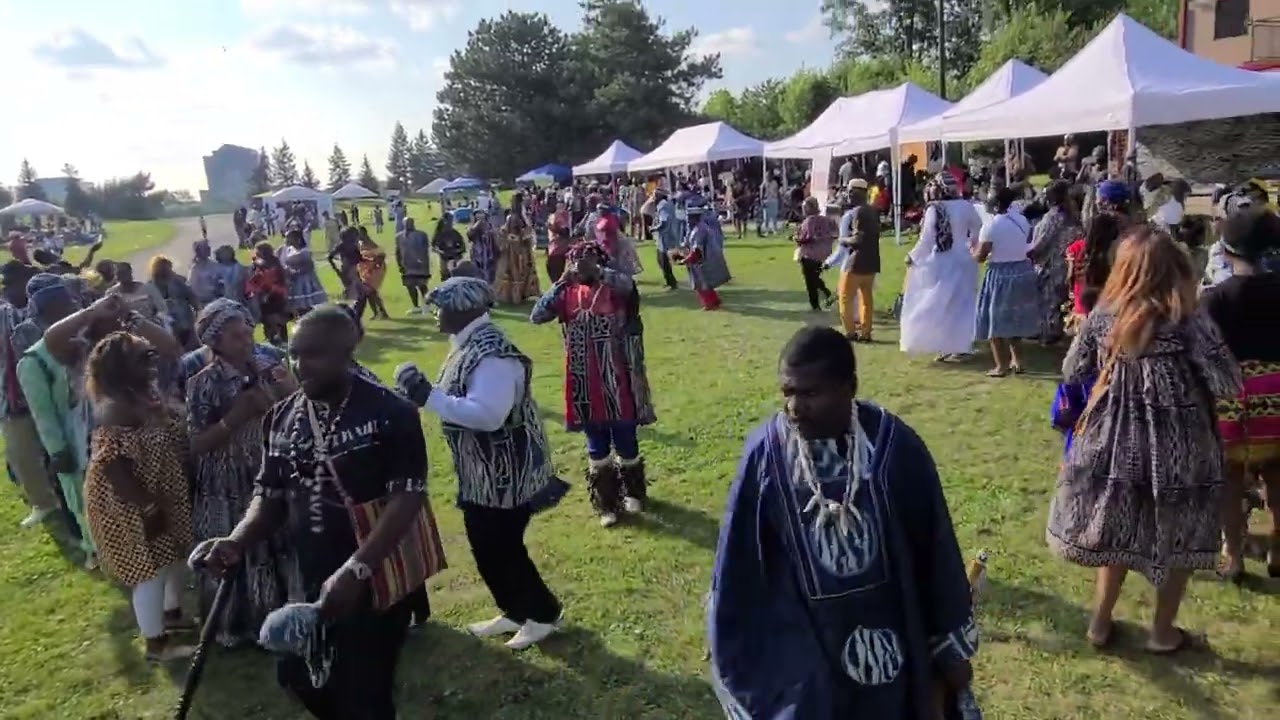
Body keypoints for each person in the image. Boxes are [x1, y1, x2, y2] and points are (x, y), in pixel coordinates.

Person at [709, 325, 980, 719]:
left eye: (811, 393)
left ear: (849, 387)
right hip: (805, 650)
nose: (795, 408)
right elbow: (739, 568)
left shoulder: (892, 448)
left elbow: (933, 550)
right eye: (789, 392)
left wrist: (949, 649)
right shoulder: (766, 457)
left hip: (895, 644)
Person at [192, 306, 446, 718]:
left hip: (374, 579)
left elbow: (407, 498)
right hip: (310, 576)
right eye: (293, 353)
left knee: (366, 697)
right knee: (297, 676)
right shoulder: (281, 417)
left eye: (314, 354)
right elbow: (269, 496)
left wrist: (358, 569)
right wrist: (237, 541)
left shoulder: (389, 412)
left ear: (347, 353)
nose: (298, 364)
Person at [1047, 228, 1241, 653]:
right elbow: (1227, 382)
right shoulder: (1189, 316)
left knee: (1113, 527)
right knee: (1179, 533)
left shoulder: (1104, 315)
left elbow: (1071, 370)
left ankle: (1099, 623)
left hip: (1112, 440)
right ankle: (1162, 632)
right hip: (1181, 443)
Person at [394, 277, 567, 649]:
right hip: (482, 471)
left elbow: (489, 415)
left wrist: (430, 397)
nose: (435, 314)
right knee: (485, 545)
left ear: (463, 309)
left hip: (507, 471)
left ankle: (542, 614)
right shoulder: (466, 344)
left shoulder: (491, 354)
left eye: (440, 307)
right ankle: (515, 610)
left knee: (501, 546)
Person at [81, 317, 198, 662]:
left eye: (149, 355)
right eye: (142, 358)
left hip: (157, 493)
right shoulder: (115, 408)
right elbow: (115, 467)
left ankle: (172, 616)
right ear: (120, 370)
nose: (151, 361)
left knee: (172, 556)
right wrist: (148, 507)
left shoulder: (141, 392)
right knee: (149, 572)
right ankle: (155, 645)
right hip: (130, 504)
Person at [182, 299, 297, 646]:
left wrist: (283, 389)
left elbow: (296, 406)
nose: (246, 342)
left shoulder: (270, 363)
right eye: (235, 337)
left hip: (272, 465)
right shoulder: (203, 383)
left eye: (248, 333)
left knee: (279, 542)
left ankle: (283, 618)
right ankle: (238, 626)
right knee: (239, 546)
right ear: (215, 343)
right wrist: (237, 415)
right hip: (229, 480)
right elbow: (197, 444)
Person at [531, 242, 655, 527]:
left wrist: (600, 271)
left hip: (616, 378)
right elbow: (537, 315)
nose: (579, 267)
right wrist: (560, 283)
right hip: (583, 382)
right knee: (596, 445)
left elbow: (629, 286)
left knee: (625, 438)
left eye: (584, 261)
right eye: (574, 262)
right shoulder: (567, 293)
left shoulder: (615, 289)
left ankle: (633, 493)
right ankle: (606, 504)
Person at [1200, 208, 1280, 580]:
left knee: (1229, 479)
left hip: (1230, 399)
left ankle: (1232, 555)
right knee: (1277, 474)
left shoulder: (1215, 298)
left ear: (1227, 251)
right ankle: (1278, 550)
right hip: (1278, 396)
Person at [15, 276, 96, 564]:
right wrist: (58, 451)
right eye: (67, 304)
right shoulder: (33, 361)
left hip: (95, 431)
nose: (74, 307)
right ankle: (92, 551)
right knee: (79, 497)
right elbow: (43, 414)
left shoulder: (86, 340)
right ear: (51, 311)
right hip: (69, 441)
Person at [2, 262, 62, 529]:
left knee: (57, 448)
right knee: (22, 454)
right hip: (12, 398)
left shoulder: (38, 310)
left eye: (11, 283)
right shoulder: (5, 313)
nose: (7, 289)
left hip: (48, 393)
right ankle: (44, 503)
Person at [899, 174, 983, 359]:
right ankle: (960, 345)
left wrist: (912, 256)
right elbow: (978, 227)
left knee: (938, 303)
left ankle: (943, 346)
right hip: (964, 260)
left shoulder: (935, 209)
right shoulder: (966, 206)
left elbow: (927, 239)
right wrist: (971, 243)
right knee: (962, 304)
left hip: (942, 260)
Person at [973, 187, 1039, 376]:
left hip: (1000, 274)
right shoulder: (1021, 219)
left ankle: (1000, 366)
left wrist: (971, 251)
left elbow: (981, 256)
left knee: (995, 321)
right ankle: (1018, 361)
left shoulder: (991, 226)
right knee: (1014, 320)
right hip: (1022, 270)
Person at [1028, 181, 1080, 345]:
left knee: (1049, 301)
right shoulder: (1072, 215)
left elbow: (1043, 241)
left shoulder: (1053, 217)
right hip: (1066, 262)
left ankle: (1050, 334)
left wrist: (1028, 254)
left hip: (1052, 264)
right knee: (1059, 301)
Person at [837, 179, 881, 342]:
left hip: (856, 262)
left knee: (845, 297)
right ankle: (866, 332)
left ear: (857, 193)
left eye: (849, 192)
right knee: (866, 299)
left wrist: (843, 240)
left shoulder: (858, 212)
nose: (847, 195)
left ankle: (850, 332)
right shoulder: (872, 210)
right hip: (872, 261)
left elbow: (858, 239)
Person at [674, 198, 730, 310]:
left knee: (702, 284)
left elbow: (697, 250)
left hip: (705, 259)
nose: (688, 219)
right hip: (701, 259)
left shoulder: (699, 229)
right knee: (705, 284)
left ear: (695, 217)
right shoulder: (694, 228)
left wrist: (685, 260)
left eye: (689, 217)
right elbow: (687, 243)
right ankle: (715, 301)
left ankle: (709, 304)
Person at [792, 197, 836, 312]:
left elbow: (807, 238)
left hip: (809, 254)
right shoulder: (827, 220)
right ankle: (828, 294)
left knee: (810, 281)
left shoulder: (808, 221)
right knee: (815, 277)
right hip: (823, 254)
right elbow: (834, 233)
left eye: (805, 207)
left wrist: (797, 238)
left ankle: (815, 305)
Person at [148, 255, 200, 349]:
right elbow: (151, 310)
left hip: (186, 325)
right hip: (167, 331)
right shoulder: (150, 287)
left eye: (167, 267)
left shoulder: (179, 281)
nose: (165, 270)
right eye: (161, 268)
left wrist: (198, 314)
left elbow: (192, 298)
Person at [247, 242, 291, 346]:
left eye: (258, 250)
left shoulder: (270, 263)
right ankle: (275, 339)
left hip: (273, 295)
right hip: (270, 295)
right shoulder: (266, 262)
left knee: (274, 318)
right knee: (270, 319)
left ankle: (278, 338)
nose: (256, 252)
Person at [493, 212, 541, 305]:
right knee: (508, 277)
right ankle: (508, 297)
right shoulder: (503, 231)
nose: (514, 224)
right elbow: (500, 245)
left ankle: (522, 295)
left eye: (516, 222)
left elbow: (529, 239)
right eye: (512, 222)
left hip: (521, 259)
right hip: (507, 259)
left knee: (522, 277)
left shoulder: (522, 232)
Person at [280, 229, 328, 318]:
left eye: (288, 237)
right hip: (293, 281)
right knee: (296, 306)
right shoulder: (288, 250)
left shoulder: (304, 251)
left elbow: (310, 266)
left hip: (304, 280)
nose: (286, 239)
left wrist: (296, 273)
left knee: (305, 305)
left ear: (296, 238)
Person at [106, 261, 167, 326]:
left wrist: (157, 320)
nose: (123, 276)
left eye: (125, 272)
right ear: (116, 276)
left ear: (130, 272)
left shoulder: (148, 288)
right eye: (120, 273)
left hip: (152, 324)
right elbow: (108, 314)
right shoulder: (111, 293)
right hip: (127, 328)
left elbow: (162, 308)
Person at [396, 218, 431, 315]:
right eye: (406, 223)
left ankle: (426, 306)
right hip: (406, 266)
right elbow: (398, 252)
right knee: (410, 286)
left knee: (422, 286)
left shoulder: (422, 235)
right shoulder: (399, 237)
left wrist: (424, 264)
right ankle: (415, 306)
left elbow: (425, 250)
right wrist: (400, 265)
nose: (408, 225)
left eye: (410, 223)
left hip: (420, 266)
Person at [650, 188, 681, 290]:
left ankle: (671, 283)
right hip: (666, 236)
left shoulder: (663, 205)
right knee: (662, 260)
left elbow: (664, 222)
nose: (653, 197)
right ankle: (670, 281)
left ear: (659, 196)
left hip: (665, 237)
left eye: (654, 195)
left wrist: (654, 229)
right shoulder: (666, 204)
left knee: (663, 261)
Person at [432, 215, 467, 283]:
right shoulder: (439, 234)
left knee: (457, 275)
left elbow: (462, 245)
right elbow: (433, 247)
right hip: (444, 258)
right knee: (445, 276)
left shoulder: (455, 233)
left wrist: (459, 250)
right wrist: (440, 251)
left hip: (456, 257)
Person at [468, 210, 500, 284]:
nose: (480, 215)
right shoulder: (473, 226)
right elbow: (470, 235)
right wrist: (478, 224)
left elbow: (495, 236)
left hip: (490, 251)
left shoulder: (489, 225)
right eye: (478, 214)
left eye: (482, 213)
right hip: (478, 252)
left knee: (490, 271)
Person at [189, 240, 222, 307]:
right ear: (199, 252)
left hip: (221, 300)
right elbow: (196, 290)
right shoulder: (195, 270)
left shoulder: (214, 264)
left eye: (208, 247)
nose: (209, 249)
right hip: (207, 304)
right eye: (206, 248)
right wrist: (213, 290)